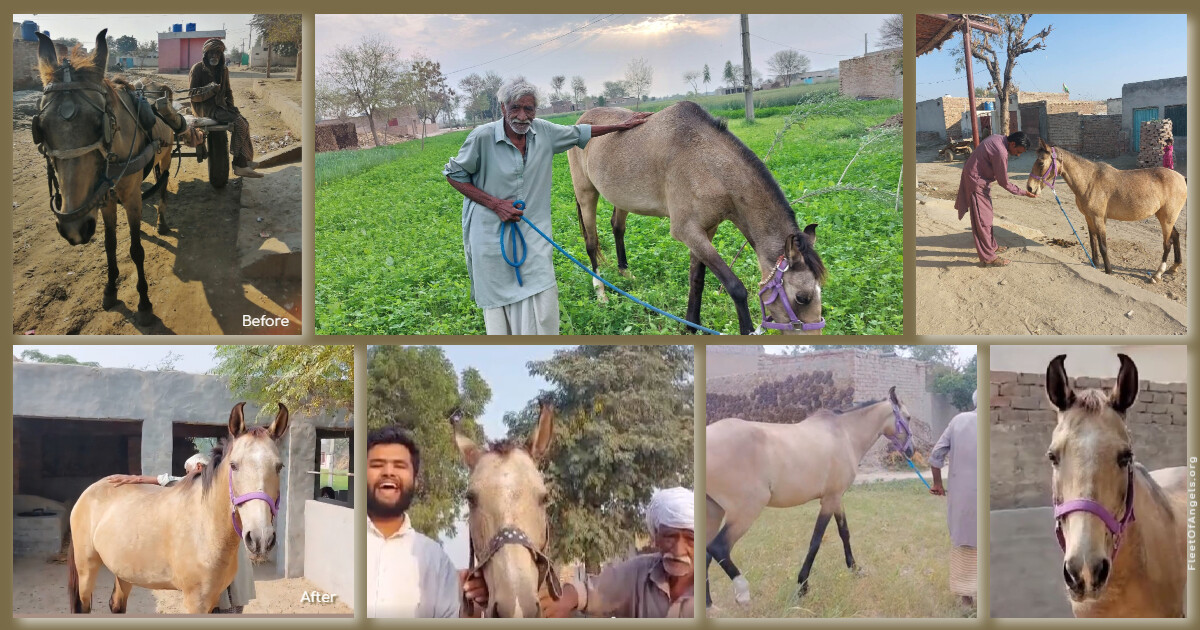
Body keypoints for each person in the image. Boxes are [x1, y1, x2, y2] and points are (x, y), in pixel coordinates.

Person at [444, 76, 650, 335]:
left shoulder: (543, 132)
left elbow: (580, 133)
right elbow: (454, 174)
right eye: (515, 108)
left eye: (528, 109)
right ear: (503, 109)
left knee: (544, 303)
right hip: (489, 236)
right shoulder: (482, 138)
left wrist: (623, 125)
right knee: (501, 312)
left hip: (533, 235)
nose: (522, 116)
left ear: (535, 111)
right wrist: (496, 204)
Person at [104, 453, 256, 614]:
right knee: (233, 601)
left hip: (219, 564)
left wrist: (135, 479)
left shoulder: (199, 484)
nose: (186, 475)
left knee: (219, 600)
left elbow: (167, 480)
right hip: (236, 562)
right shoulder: (226, 489)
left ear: (198, 468)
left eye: (187, 471)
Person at [365, 426, 487, 617]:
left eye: (399, 465)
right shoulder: (339, 542)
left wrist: (470, 610)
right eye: (377, 464)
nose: (388, 472)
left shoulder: (436, 561)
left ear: (415, 481)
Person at [541, 487, 695, 618]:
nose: (678, 550)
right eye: (669, 537)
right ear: (656, 537)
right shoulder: (639, 572)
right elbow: (593, 590)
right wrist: (567, 598)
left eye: (691, 539)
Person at [954, 131, 1038, 267]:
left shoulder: (998, 137)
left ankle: (992, 246)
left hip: (979, 180)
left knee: (987, 216)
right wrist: (1024, 193)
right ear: (1012, 143)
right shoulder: (1001, 152)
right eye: (1017, 151)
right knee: (982, 221)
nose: (1017, 155)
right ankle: (989, 258)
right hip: (976, 182)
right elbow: (1004, 182)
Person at [929, 390, 979, 608]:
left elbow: (935, 456)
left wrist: (938, 484)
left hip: (963, 499)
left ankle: (966, 599)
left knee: (965, 540)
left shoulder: (959, 421)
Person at [189, 38, 262, 178]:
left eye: (217, 53)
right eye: (211, 53)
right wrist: (210, 90)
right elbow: (192, 95)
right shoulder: (197, 69)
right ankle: (239, 165)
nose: (214, 56)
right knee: (239, 124)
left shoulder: (223, 69)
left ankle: (245, 160)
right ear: (206, 54)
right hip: (205, 109)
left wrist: (232, 108)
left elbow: (228, 91)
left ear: (221, 55)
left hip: (220, 107)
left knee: (244, 122)